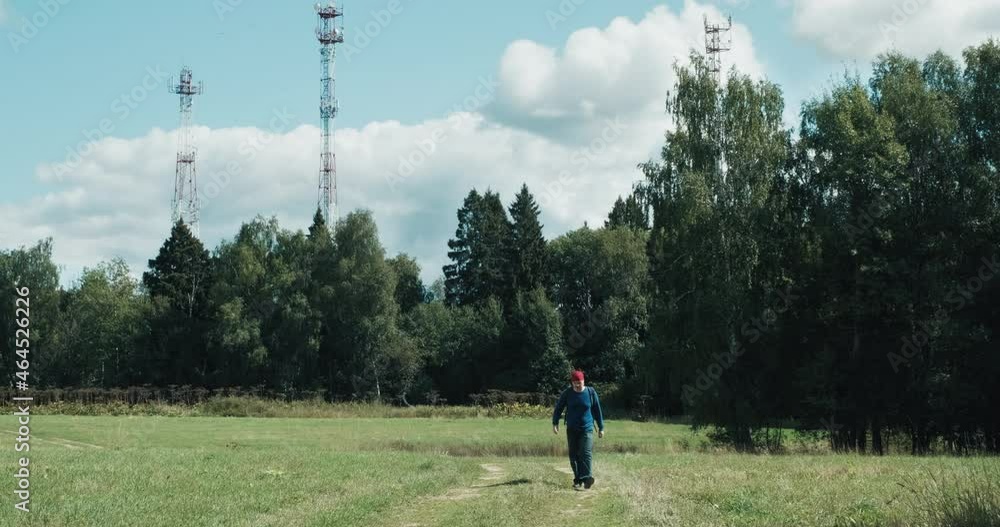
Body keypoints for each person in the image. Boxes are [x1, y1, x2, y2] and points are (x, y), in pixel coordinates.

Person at [551, 369, 604, 490]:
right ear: (572, 383)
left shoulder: (591, 392)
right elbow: (558, 408)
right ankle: (578, 479)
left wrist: (601, 427)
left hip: (587, 427)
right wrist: (555, 423)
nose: (577, 385)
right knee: (573, 454)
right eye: (575, 383)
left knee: (585, 452)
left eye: (579, 382)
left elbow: (597, 409)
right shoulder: (567, 393)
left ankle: (587, 478)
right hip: (572, 428)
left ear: (583, 381)